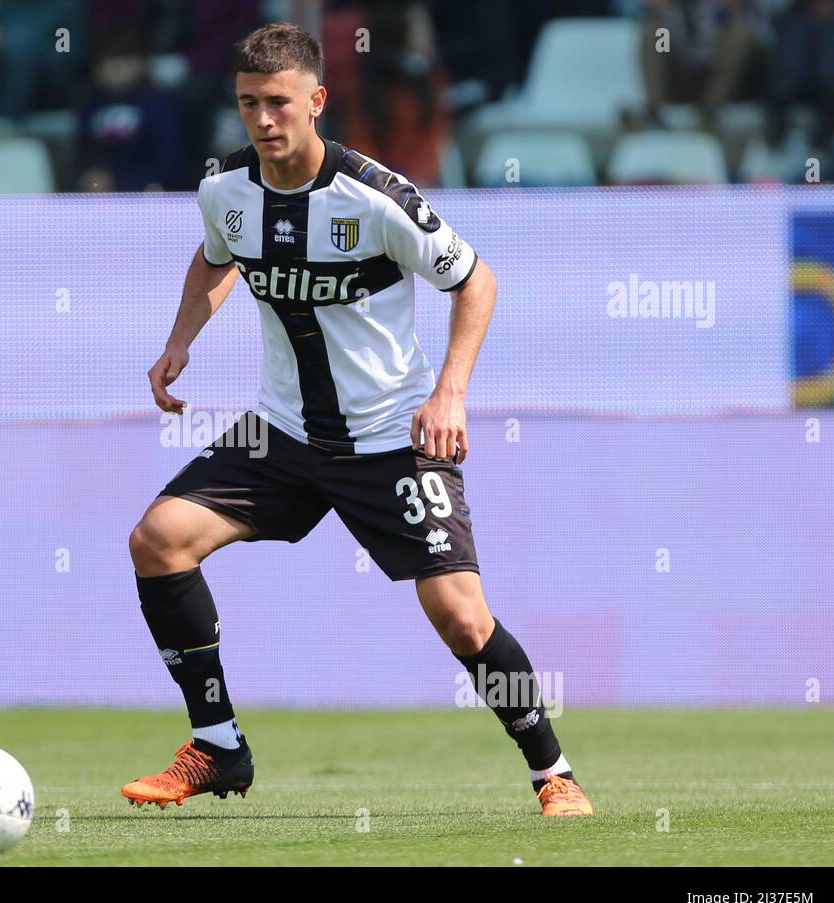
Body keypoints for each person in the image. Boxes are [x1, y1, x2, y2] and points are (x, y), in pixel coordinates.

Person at [122, 23, 594, 816]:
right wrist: (179, 342)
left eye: (278, 103)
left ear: (317, 101)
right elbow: (216, 257)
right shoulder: (226, 192)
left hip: (389, 437)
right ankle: (218, 746)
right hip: (281, 431)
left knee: (461, 617)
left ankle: (553, 772)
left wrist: (450, 393)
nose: (263, 120)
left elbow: (477, 284)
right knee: (158, 542)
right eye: (248, 104)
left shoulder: (377, 200)